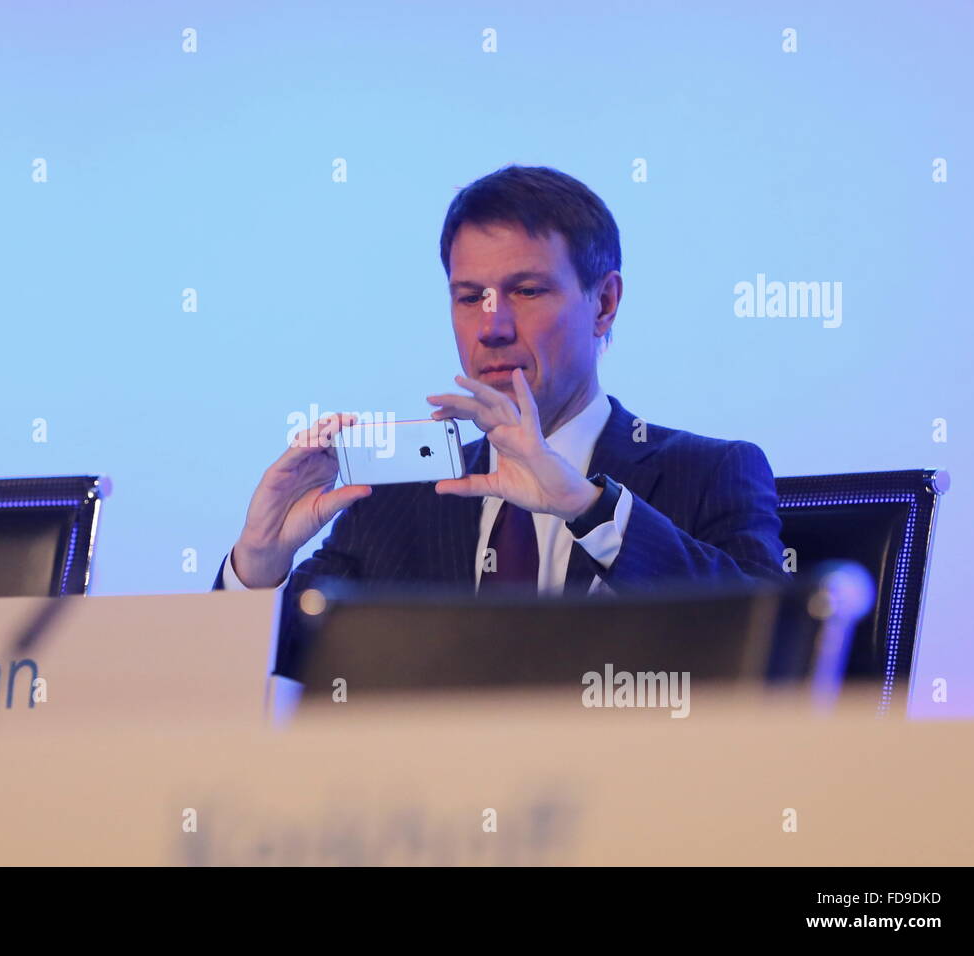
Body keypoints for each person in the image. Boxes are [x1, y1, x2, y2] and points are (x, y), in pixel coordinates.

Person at [214, 165, 786, 678]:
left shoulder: (710, 472)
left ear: (604, 302)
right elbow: (273, 666)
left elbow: (774, 651)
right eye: (470, 298)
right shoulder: (399, 499)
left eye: (527, 290)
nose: (492, 327)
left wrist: (589, 507)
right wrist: (258, 564)